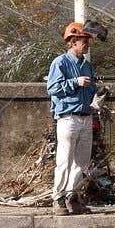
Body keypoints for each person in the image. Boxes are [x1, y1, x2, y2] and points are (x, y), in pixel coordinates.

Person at [45, 22, 99, 215]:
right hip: (68, 118)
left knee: (82, 162)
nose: (86, 44)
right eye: (83, 41)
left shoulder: (87, 65)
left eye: (87, 41)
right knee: (64, 160)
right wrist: (75, 82)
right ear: (72, 42)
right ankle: (58, 198)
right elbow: (52, 88)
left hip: (85, 117)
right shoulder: (60, 63)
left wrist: (97, 97)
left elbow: (91, 89)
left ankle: (72, 196)